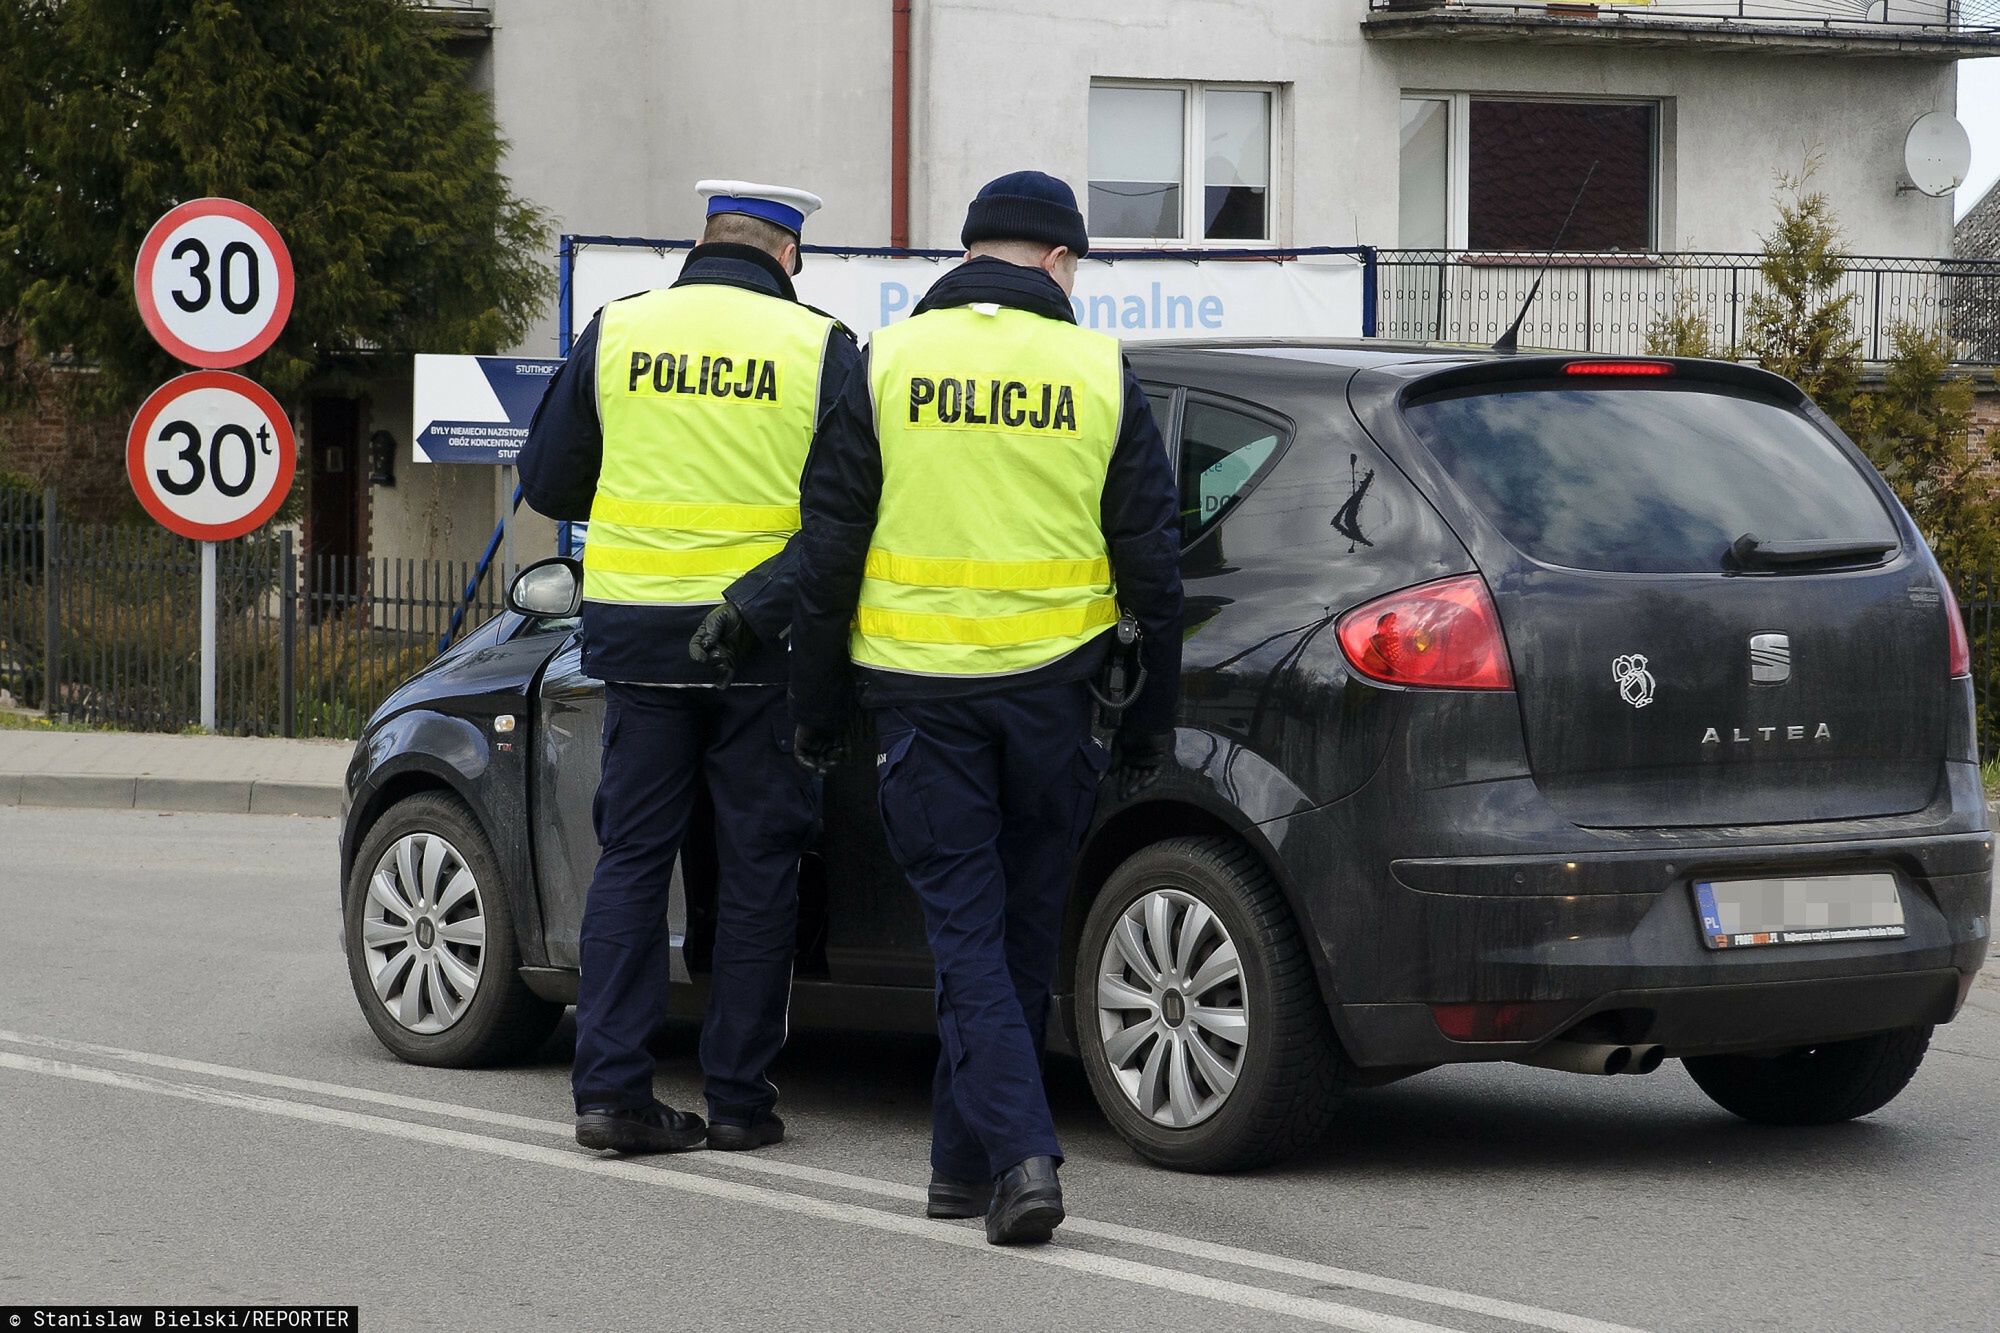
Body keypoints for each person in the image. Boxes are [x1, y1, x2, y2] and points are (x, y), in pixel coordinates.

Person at [788, 171, 1183, 1244]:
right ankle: (988, 1159)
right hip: (1054, 695)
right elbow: (1151, 561)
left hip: (919, 699)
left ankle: (985, 1157)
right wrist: (1151, 718)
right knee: (1015, 930)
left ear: (966, 255)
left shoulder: (888, 360)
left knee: (965, 930)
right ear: (1057, 261)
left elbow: (828, 550)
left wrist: (816, 706)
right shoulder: (1097, 367)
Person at [519, 180, 859, 1155]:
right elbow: (841, 524)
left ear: (703, 239)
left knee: (631, 858)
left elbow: (547, 480)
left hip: (633, 636)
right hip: (756, 644)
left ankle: (612, 1094)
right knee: (758, 868)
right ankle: (741, 1101)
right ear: (787, 254)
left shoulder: (619, 330)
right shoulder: (818, 347)